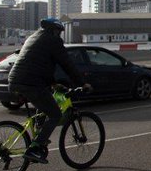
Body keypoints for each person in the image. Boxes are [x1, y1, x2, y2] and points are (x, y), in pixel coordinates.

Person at [7, 18, 91, 163]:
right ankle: (35, 148)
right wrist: (82, 83)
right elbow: (67, 63)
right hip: (31, 83)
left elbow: (38, 64)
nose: (59, 35)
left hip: (15, 80)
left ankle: (39, 133)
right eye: (59, 32)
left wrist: (53, 83)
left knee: (44, 105)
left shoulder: (33, 37)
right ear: (54, 30)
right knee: (55, 114)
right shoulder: (53, 40)